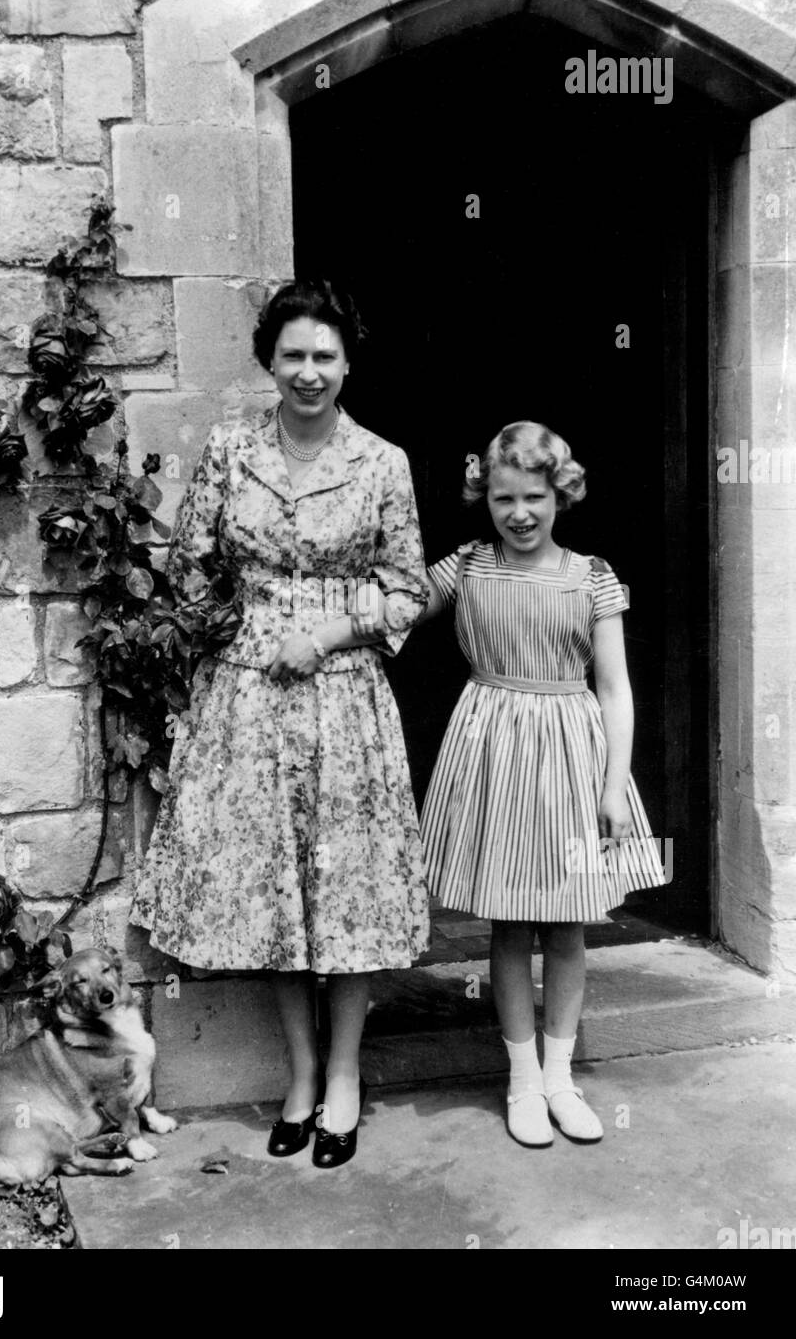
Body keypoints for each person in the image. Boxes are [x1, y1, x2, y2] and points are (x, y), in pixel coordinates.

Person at [130, 279, 430, 1169]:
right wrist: (234, 639)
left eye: (325, 357)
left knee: (348, 894)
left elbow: (408, 587)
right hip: (250, 697)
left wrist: (330, 630)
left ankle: (345, 1079)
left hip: (343, 697)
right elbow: (191, 567)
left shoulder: (383, 463)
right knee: (275, 892)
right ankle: (300, 1076)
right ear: (269, 360)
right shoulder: (229, 451)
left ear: (347, 364)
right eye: (293, 355)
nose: (309, 373)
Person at [413, 421, 667, 1147]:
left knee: (567, 920)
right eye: (502, 499)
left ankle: (561, 1077)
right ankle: (522, 1079)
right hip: (492, 747)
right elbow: (399, 605)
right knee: (510, 919)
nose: (519, 513)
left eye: (534, 497)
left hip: (571, 753)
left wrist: (614, 787)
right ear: (483, 498)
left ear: (561, 494)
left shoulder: (592, 577)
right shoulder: (465, 566)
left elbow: (615, 689)